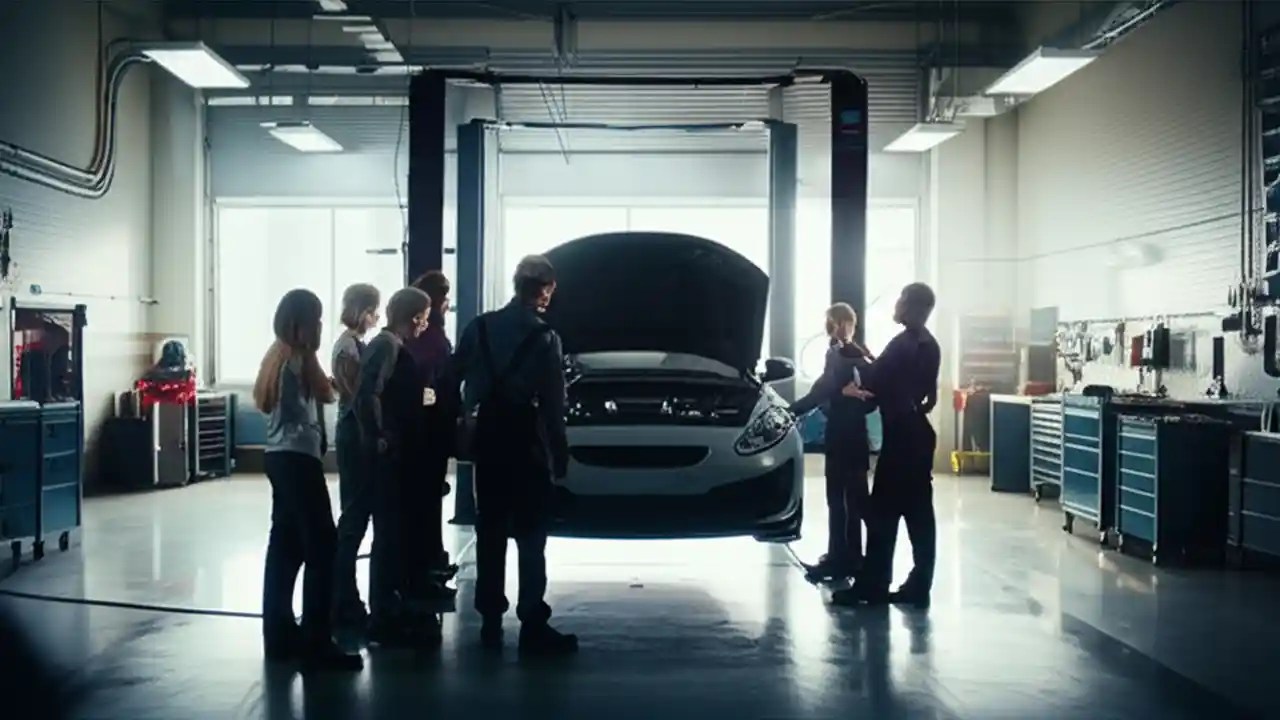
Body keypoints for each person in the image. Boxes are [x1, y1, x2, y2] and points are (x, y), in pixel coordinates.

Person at [454, 255, 577, 656]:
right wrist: (559, 453)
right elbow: (554, 404)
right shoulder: (546, 338)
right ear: (545, 290)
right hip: (526, 441)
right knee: (531, 535)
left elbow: (450, 377)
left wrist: (462, 421)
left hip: (488, 437)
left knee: (489, 531)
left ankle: (490, 620)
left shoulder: (479, 328)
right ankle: (532, 622)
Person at [254, 289, 363, 671]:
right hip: (298, 461)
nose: (320, 326)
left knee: (285, 546)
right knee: (323, 548)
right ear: (299, 323)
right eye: (316, 319)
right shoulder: (296, 360)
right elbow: (324, 397)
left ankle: (280, 634)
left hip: (278, 458)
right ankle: (318, 641)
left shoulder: (277, 355)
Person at [832, 283, 941, 610]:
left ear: (916, 307)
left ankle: (874, 584)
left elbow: (877, 379)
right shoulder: (928, 345)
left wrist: (856, 356)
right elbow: (925, 394)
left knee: (884, 513)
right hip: (917, 435)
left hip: (903, 439)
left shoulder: (905, 343)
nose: (897, 304)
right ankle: (917, 585)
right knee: (917, 514)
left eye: (902, 300)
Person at [353, 286, 443, 646]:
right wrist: (379, 435)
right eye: (423, 317)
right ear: (413, 317)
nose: (425, 324)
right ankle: (383, 612)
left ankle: (390, 606)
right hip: (389, 453)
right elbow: (368, 393)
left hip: (399, 451)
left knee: (394, 532)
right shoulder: (388, 346)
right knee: (388, 532)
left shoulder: (391, 346)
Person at [788, 303, 875, 582]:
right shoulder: (860, 355)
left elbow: (822, 391)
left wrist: (790, 411)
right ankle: (848, 557)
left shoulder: (841, 355)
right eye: (836, 323)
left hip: (844, 437)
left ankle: (841, 560)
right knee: (849, 500)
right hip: (853, 436)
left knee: (841, 500)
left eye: (842, 322)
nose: (838, 328)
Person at [331, 283, 381, 628]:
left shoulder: (351, 345)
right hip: (355, 434)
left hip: (354, 432)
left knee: (356, 514)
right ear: (364, 311)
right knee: (354, 517)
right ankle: (343, 596)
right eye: (374, 310)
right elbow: (356, 396)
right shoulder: (349, 347)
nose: (376, 317)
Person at [405, 270, 459, 586]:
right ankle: (426, 565)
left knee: (425, 500)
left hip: (425, 427)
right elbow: (428, 387)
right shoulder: (432, 339)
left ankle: (429, 560)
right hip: (428, 430)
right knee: (426, 500)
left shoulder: (422, 338)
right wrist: (435, 404)